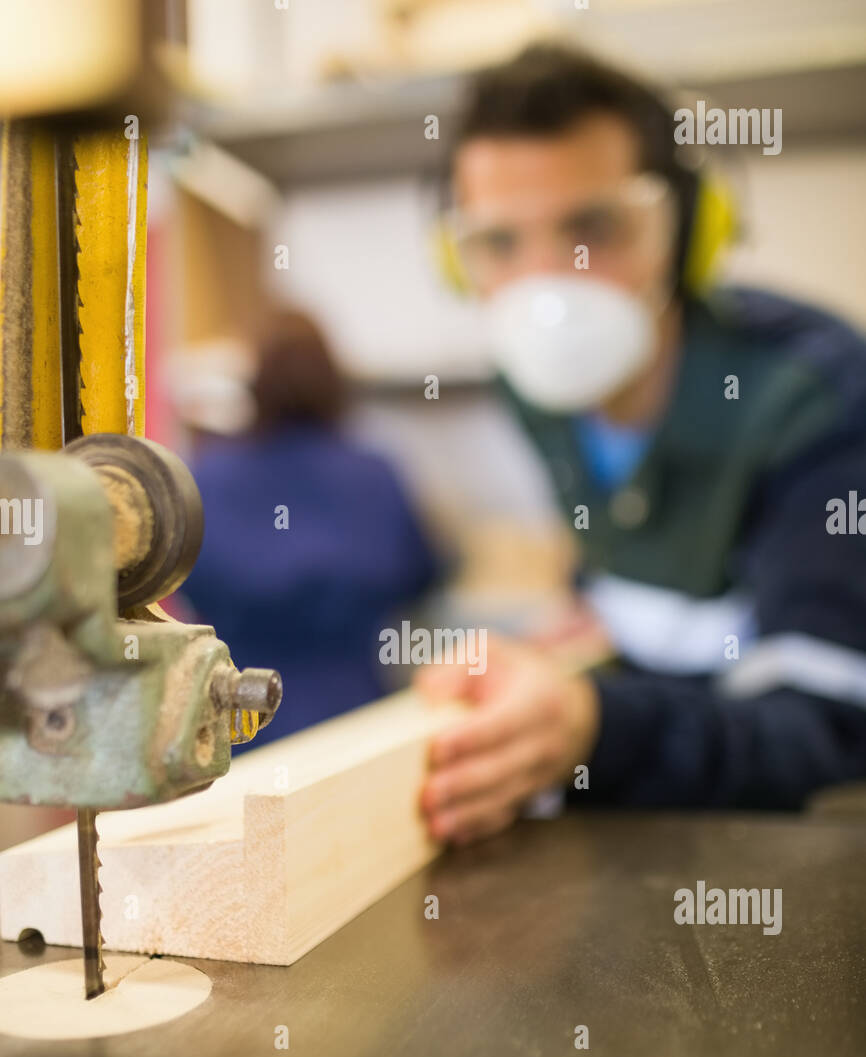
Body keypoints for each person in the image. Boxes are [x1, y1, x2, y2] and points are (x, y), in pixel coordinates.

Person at [418, 42, 866, 844]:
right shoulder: (535, 388)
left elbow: (826, 733)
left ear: (687, 230)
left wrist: (596, 728)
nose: (545, 283)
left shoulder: (819, 395)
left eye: (593, 226)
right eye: (498, 243)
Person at [181, 310, 440, 741]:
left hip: (239, 719)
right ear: (332, 379)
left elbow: (187, 582)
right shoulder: (375, 474)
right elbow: (423, 572)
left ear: (254, 383)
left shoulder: (209, 478)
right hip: (356, 718)